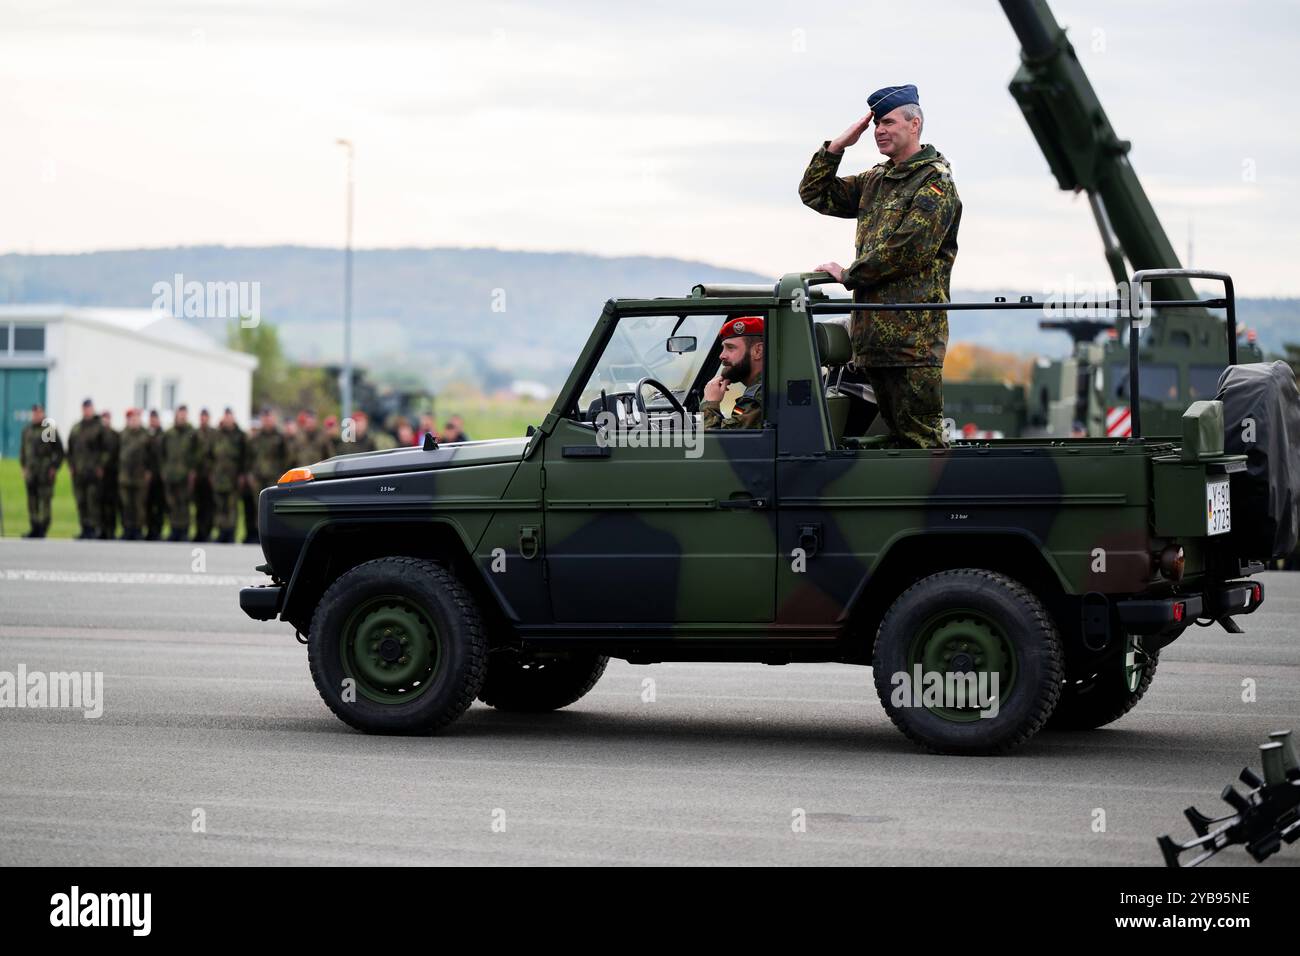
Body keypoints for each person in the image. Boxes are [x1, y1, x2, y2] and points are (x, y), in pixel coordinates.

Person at [798, 84, 962, 449]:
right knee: (894, 444)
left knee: (922, 443)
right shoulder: (877, 180)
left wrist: (849, 275)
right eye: (875, 125)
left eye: (888, 122)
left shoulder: (935, 183)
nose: (879, 131)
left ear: (914, 124)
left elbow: (909, 250)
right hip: (872, 339)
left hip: (911, 342)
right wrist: (836, 147)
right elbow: (815, 194)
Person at [700, 316, 764, 429]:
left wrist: (710, 403)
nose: (721, 355)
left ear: (758, 351)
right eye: (723, 348)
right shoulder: (758, 390)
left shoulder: (760, 396)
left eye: (730, 348)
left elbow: (714, 443)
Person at [19, 404, 63, 538]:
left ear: (43, 413)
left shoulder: (48, 430)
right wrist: (23, 467)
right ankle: (34, 527)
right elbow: (23, 451)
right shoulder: (27, 430)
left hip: (44, 473)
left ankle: (43, 528)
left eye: (38, 413)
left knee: (45, 501)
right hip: (31, 473)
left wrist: (54, 467)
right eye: (34, 413)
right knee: (32, 501)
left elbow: (59, 451)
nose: (36, 415)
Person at [246, 407, 289, 543]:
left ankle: (272, 536)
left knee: (273, 507)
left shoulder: (280, 437)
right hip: (258, 478)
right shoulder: (256, 438)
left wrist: (283, 474)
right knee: (258, 506)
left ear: (273, 419)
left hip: (274, 478)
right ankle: (258, 535)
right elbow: (249, 457)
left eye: (269, 417)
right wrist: (250, 474)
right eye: (264, 418)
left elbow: (287, 457)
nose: (266, 420)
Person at [66, 398, 106, 539]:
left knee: (93, 502)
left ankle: (94, 529)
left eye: (89, 408)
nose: (86, 411)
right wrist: (70, 465)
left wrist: (100, 466)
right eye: (84, 408)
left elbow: (106, 449)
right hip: (79, 472)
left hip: (93, 472)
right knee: (81, 501)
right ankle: (85, 528)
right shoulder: (76, 428)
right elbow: (69, 449)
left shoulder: (99, 427)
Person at [161, 405, 199, 542]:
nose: (182, 417)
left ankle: (184, 531)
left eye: (184, 415)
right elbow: (162, 453)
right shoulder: (169, 434)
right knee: (172, 503)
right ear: (176, 415)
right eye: (180, 414)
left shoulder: (192, 433)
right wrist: (164, 470)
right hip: (171, 475)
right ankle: (174, 529)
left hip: (185, 475)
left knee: (184, 503)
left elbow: (196, 453)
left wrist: (192, 471)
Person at [210, 407, 247, 544]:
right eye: (225, 417)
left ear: (233, 419)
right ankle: (221, 531)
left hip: (233, 477)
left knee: (231, 507)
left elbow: (245, 456)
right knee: (220, 505)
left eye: (229, 417)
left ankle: (231, 533)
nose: (227, 420)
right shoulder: (217, 435)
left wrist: (242, 475)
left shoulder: (240, 436)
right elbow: (209, 455)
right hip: (219, 477)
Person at [117, 408, 155, 540]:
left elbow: (152, 455)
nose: (134, 421)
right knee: (126, 505)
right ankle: (127, 529)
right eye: (131, 418)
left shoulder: (146, 435)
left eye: (136, 418)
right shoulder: (122, 435)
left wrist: (149, 471)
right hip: (125, 476)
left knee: (139, 505)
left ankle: (138, 530)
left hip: (140, 477)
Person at [192, 408, 216, 542]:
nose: (203, 419)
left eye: (205, 417)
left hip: (209, 475)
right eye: (201, 417)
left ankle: (208, 531)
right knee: (198, 505)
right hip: (198, 475)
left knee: (209, 505)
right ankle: (199, 531)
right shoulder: (195, 434)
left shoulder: (213, 434)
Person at [99, 409, 120, 539]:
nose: (105, 420)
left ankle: (111, 530)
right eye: (104, 418)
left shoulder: (115, 435)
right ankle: (101, 529)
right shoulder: (97, 435)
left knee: (112, 505)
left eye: (107, 418)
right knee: (100, 504)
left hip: (112, 474)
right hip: (99, 475)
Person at [145, 409, 166, 540]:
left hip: (160, 476)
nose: (153, 421)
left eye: (155, 418)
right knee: (148, 504)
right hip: (148, 476)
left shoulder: (164, 436)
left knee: (160, 505)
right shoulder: (146, 435)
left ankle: (158, 530)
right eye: (151, 418)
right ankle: (149, 530)